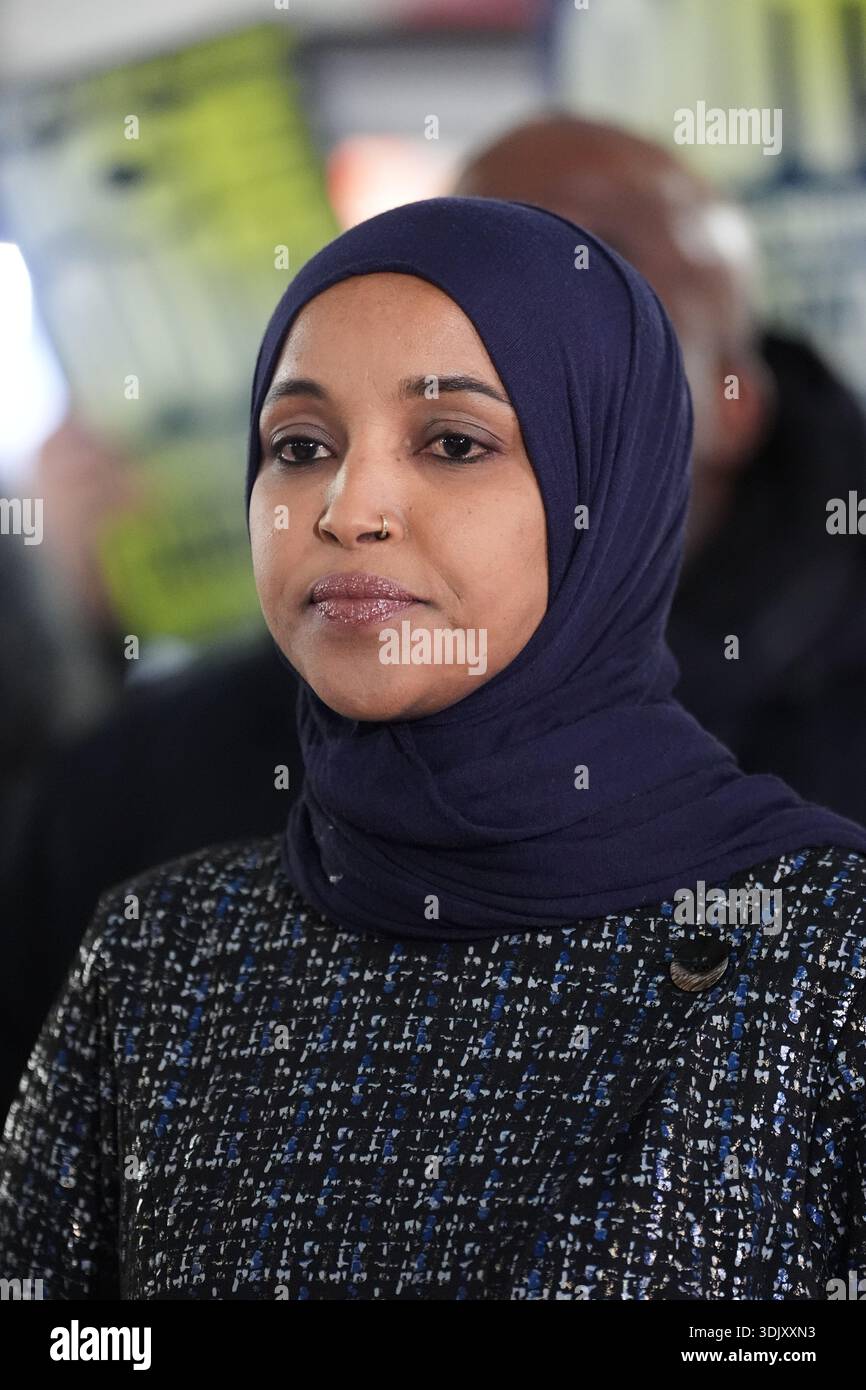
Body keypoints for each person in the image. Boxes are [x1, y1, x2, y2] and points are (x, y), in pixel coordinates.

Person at [3, 196, 866, 1301]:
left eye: (453, 442)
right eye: (300, 446)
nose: (347, 509)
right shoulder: (153, 955)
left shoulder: (819, 957)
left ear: (604, 488)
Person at [455, 114, 866, 824]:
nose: (499, 325)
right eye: (455, 274)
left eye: (595, 256)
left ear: (734, 403)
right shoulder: (249, 747)